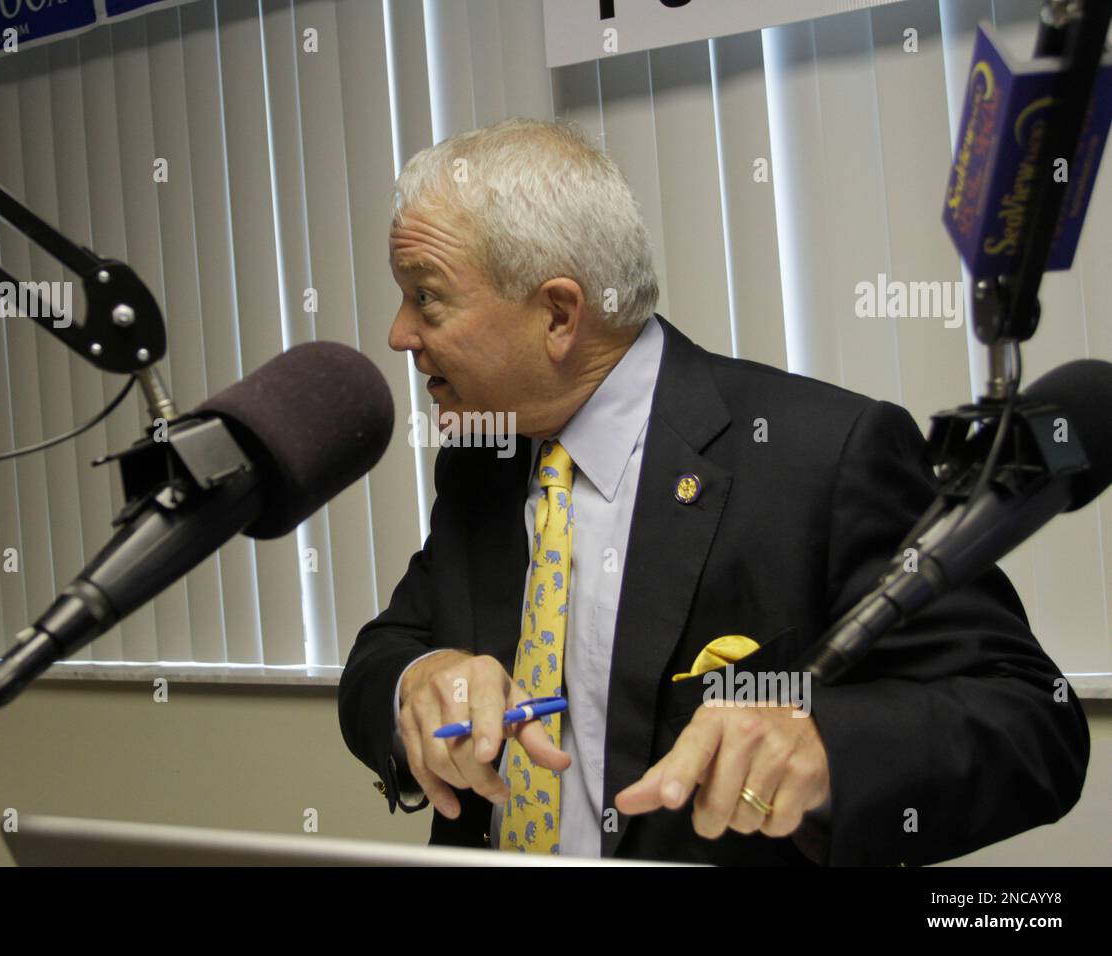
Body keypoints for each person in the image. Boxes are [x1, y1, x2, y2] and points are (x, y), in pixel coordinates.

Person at [336, 117, 1089, 865]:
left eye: (426, 298)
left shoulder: (824, 454)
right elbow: (385, 652)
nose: (401, 334)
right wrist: (418, 680)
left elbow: (1030, 721)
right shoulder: (483, 456)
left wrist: (825, 746)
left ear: (560, 313)